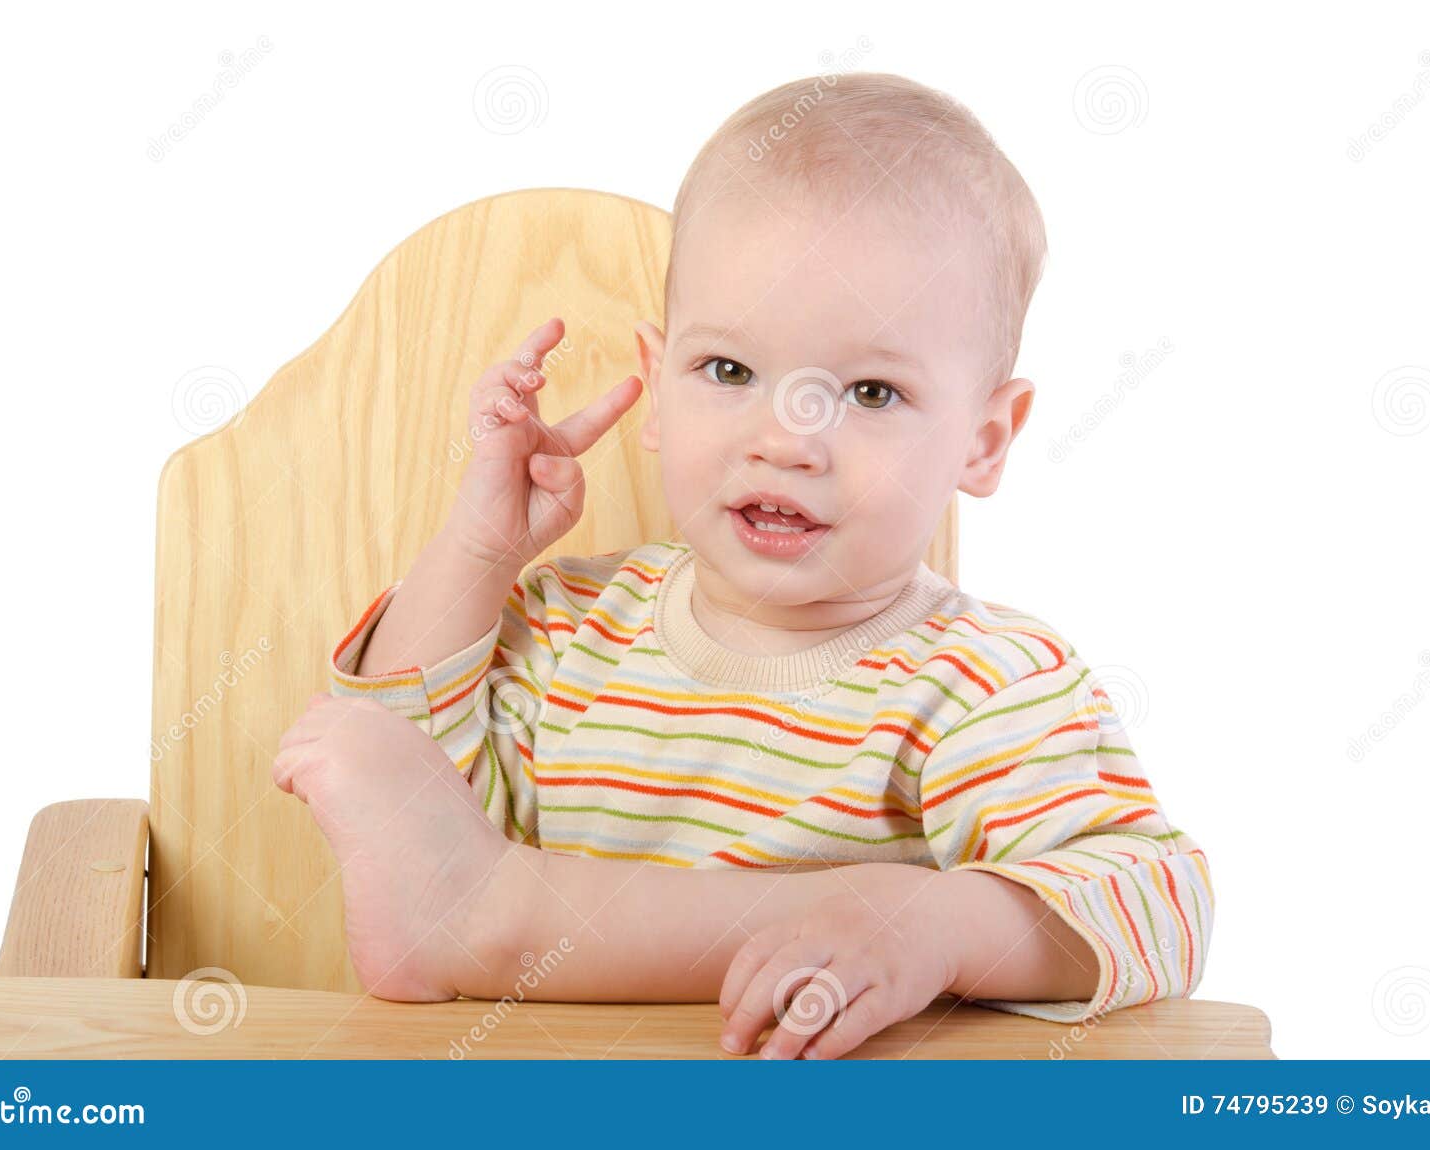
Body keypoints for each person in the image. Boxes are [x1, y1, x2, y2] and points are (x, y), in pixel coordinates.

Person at [273, 71, 1212, 1060]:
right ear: (660, 379)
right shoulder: (568, 631)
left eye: (870, 391)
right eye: (728, 372)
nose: (787, 438)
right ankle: (499, 921)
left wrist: (927, 925)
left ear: (983, 439)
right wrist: (479, 548)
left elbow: (1155, 900)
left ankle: (507, 921)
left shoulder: (981, 686)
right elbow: (396, 802)